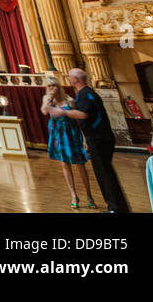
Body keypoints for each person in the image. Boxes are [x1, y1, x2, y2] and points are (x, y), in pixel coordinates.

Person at [60, 68, 130, 212]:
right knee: (105, 173)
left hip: (99, 139)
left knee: (104, 174)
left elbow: (83, 115)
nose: (68, 79)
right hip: (99, 138)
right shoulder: (86, 93)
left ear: (76, 79)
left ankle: (116, 208)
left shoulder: (85, 95)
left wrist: (63, 112)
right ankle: (117, 207)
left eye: (69, 77)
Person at [41, 73, 95, 209]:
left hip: (72, 134)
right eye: (49, 86)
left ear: (59, 86)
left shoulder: (69, 100)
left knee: (80, 165)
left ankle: (89, 195)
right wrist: (50, 99)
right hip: (58, 135)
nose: (52, 88)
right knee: (65, 165)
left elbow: (79, 120)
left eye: (54, 85)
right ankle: (73, 195)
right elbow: (44, 112)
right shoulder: (47, 99)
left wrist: (84, 138)